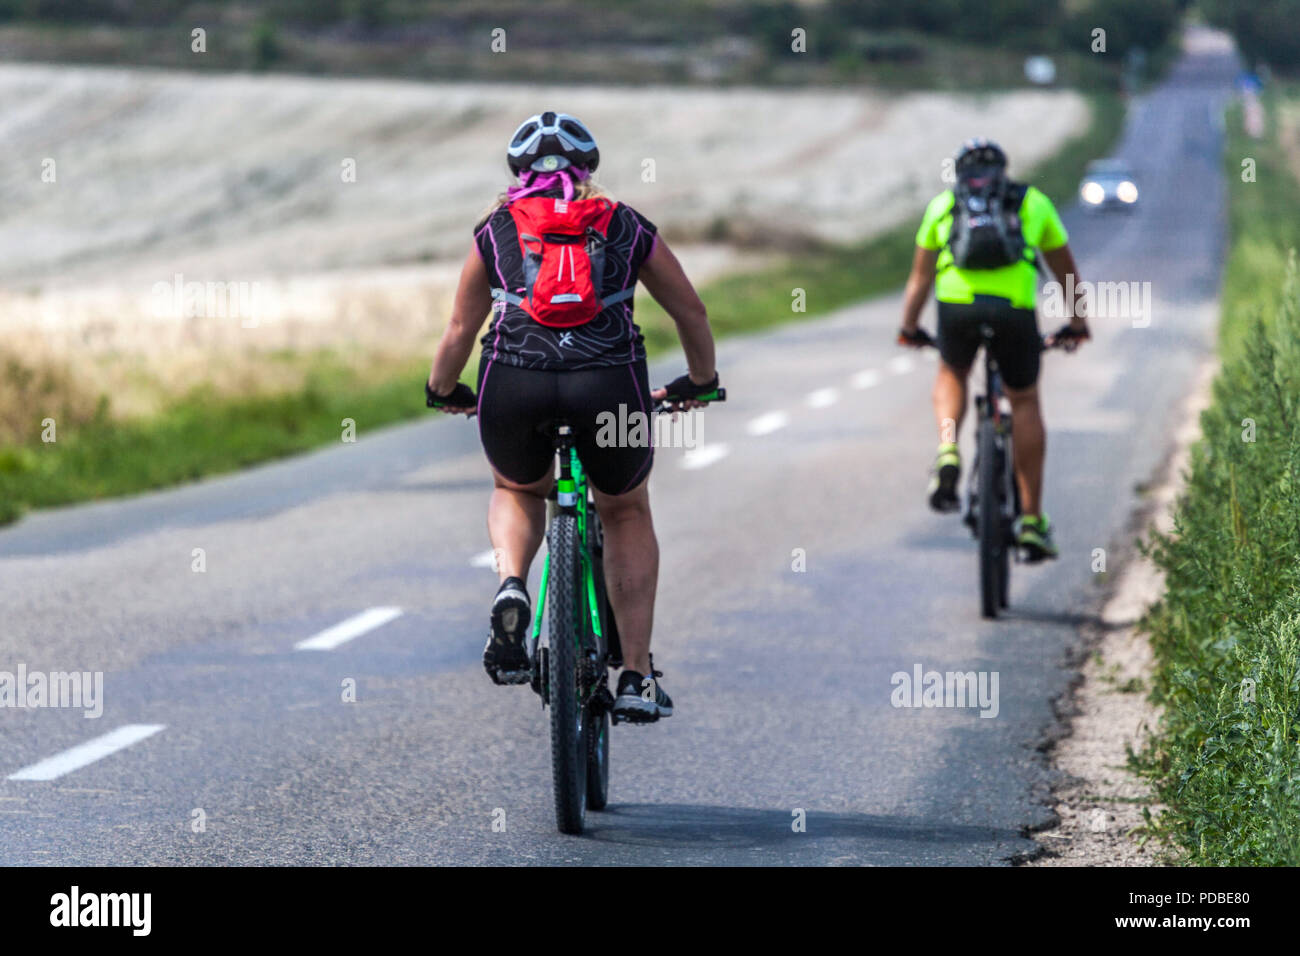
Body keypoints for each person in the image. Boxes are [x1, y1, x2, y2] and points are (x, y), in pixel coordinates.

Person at [425, 111, 720, 722]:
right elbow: (692, 313)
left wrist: (443, 388)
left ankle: (512, 584)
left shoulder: (497, 227)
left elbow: (460, 327)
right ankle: (636, 674)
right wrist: (700, 381)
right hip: (609, 389)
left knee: (516, 487)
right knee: (625, 507)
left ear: (518, 172)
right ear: (589, 169)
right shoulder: (626, 225)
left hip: (516, 384)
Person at [897, 138, 1089, 560]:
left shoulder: (944, 206)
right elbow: (1067, 276)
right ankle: (1033, 523)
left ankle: (948, 448)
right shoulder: (1031, 203)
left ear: (961, 175)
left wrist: (909, 327)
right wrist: (1077, 324)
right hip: (1014, 312)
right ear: (1004, 171)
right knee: (1023, 400)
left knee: (952, 372)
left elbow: (919, 281)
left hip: (957, 310)